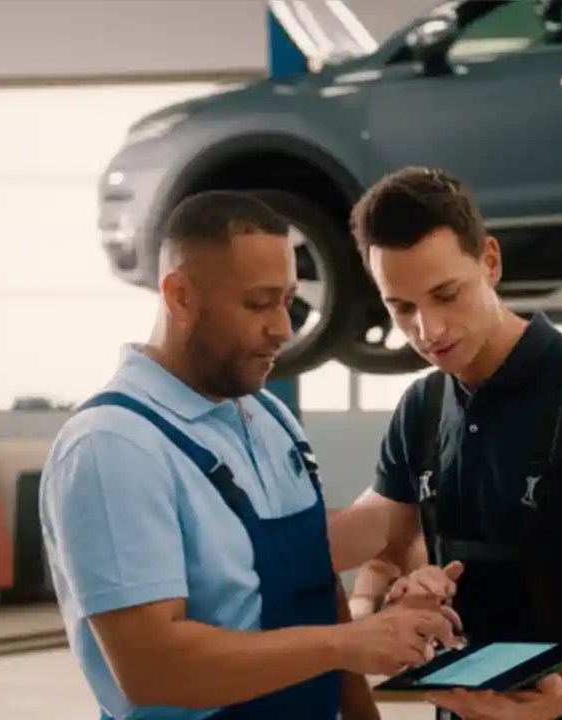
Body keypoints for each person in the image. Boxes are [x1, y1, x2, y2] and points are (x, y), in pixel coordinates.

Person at [38, 190, 457, 720]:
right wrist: (347, 644)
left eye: (286, 299)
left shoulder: (267, 417)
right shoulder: (113, 446)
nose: (283, 327)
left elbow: (315, 585)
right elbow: (152, 667)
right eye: (258, 303)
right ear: (181, 295)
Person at [346, 167, 562, 720]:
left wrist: (535, 707)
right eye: (402, 308)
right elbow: (373, 561)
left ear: (490, 262)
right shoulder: (420, 411)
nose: (428, 329)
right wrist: (395, 603)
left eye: (446, 294)